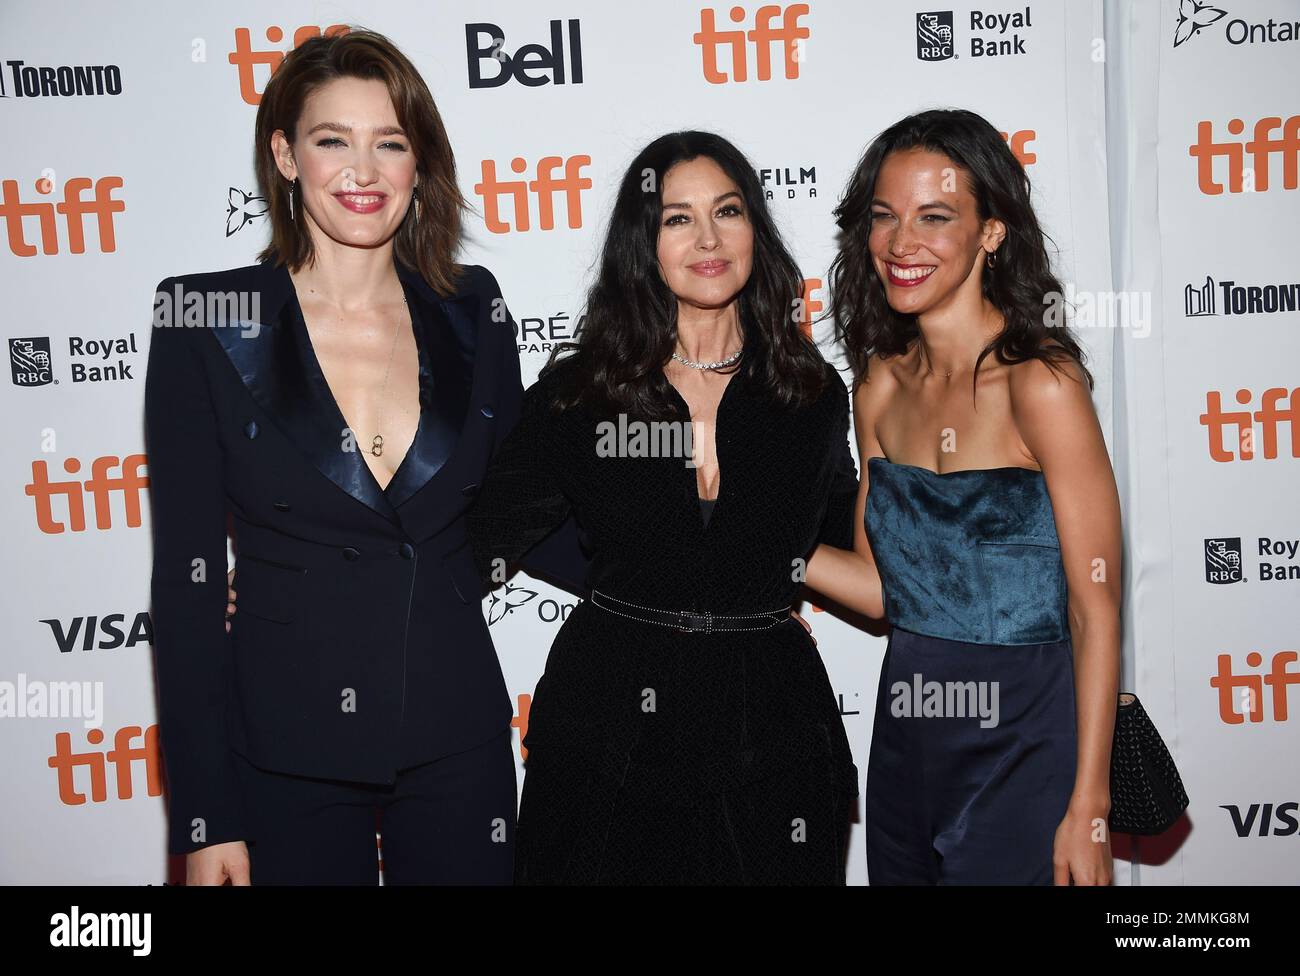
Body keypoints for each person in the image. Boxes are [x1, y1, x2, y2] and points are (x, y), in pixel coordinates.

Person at [145, 29, 583, 886]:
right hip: (283, 745)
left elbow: (523, 508)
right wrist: (204, 820)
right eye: (331, 140)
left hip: (456, 735)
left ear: (420, 162)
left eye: (391, 141)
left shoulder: (474, 310)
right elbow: (187, 581)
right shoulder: (203, 320)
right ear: (284, 155)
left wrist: (700, 568)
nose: (364, 169)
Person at [465, 131, 861, 884]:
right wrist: (311, 586)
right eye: (678, 218)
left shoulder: (808, 393)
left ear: (756, 230)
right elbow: (478, 540)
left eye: (728, 211)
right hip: (610, 719)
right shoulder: (584, 393)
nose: (707, 238)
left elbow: (848, 542)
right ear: (643, 243)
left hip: (771, 727)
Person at [806, 108, 1121, 885]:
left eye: (934, 217)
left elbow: (1096, 606)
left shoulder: (1040, 384)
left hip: (1024, 736)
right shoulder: (879, 384)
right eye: (884, 217)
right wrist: (750, 538)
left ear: (991, 233)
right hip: (909, 727)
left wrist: (1089, 803)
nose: (900, 243)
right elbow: (883, 592)